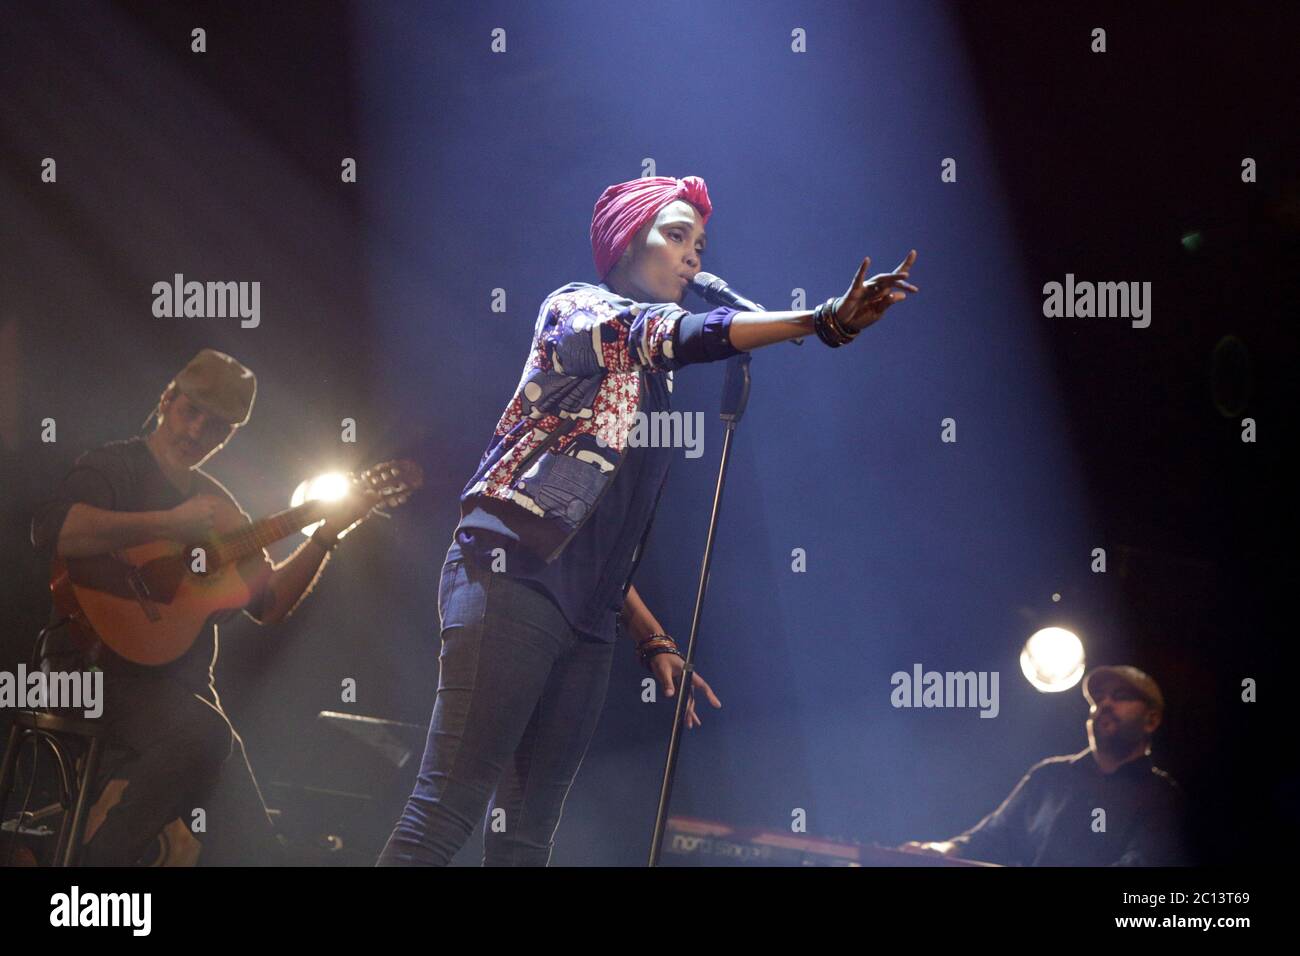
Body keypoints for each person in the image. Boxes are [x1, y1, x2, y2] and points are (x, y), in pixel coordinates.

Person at [377, 174, 920, 866]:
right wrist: (820, 320)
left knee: (525, 837)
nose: (694, 257)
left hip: (588, 617)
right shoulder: (576, 310)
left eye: (700, 243)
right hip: (511, 578)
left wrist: (652, 637)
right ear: (628, 239)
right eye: (676, 235)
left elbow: (591, 527)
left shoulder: (651, 380)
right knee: (447, 805)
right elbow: (668, 334)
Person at [29, 348, 380, 865]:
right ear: (167, 399)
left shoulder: (221, 507)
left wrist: (327, 535)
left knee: (254, 838)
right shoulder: (112, 467)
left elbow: (270, 603)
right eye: (190, 412)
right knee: (205, 736)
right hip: (88, 668)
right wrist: (168, 524)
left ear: (228, 436)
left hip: (178, 689)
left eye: (215, 427)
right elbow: (54, 531)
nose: (196, 433)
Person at [900, 665, 1193, 866]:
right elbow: (993, 836)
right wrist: (943, 850)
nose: (1104, 704)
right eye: (1098, 698)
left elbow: (1143, 862)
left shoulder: (1162, 795)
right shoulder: (1049, 776)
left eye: (1120, 697)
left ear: (1151, 720)